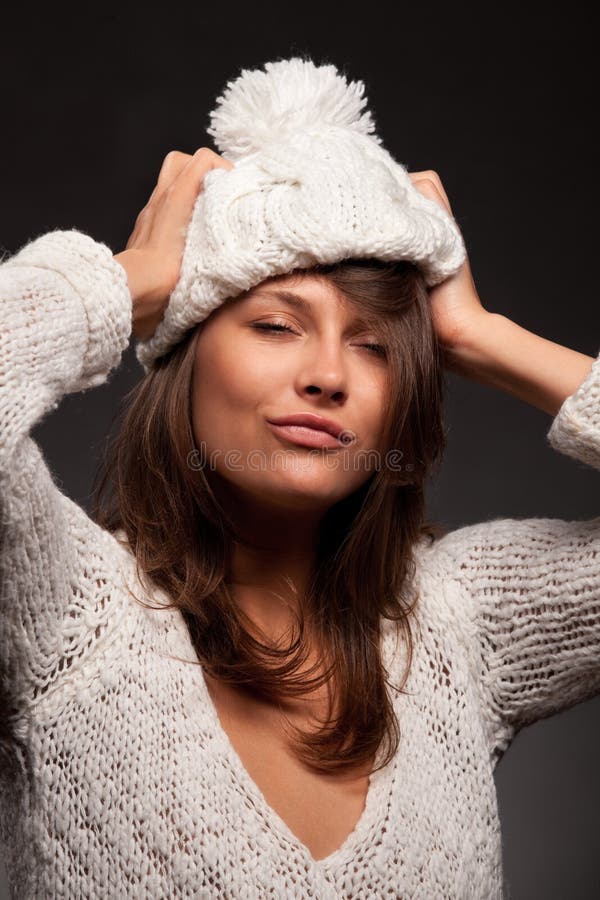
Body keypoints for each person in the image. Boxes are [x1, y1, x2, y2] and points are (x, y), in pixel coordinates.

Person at [0, 57, 598, 899]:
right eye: (277, 324)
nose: (328, 373)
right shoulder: (57, 609)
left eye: (375, 345)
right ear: (186, 355)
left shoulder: (463, 628)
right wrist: (122, 282)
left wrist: (480, 334)